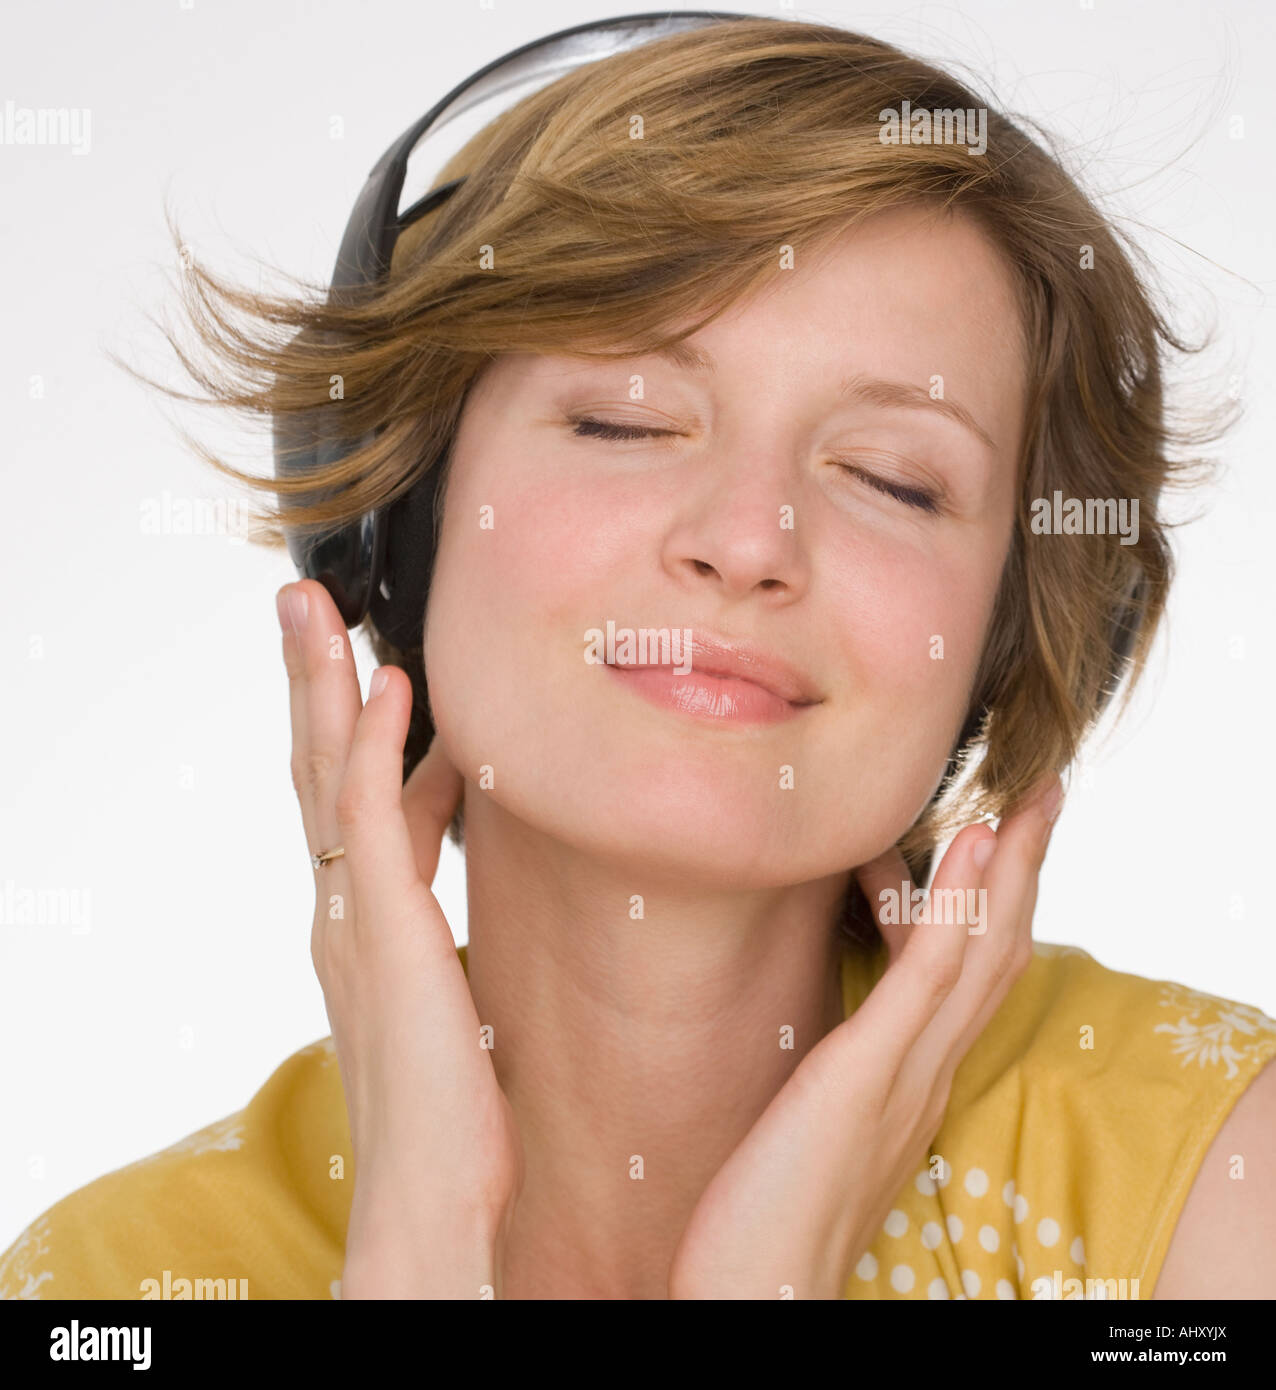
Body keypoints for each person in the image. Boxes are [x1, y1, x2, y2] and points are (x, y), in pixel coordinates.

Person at [3, 16, 1273, 1302]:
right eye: (626, 419)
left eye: (892, 479)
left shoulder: (1215, 1181)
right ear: (403, 523)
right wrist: (419, 1251)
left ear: (1004, 641)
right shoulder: (114, 1287)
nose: (746, 541)